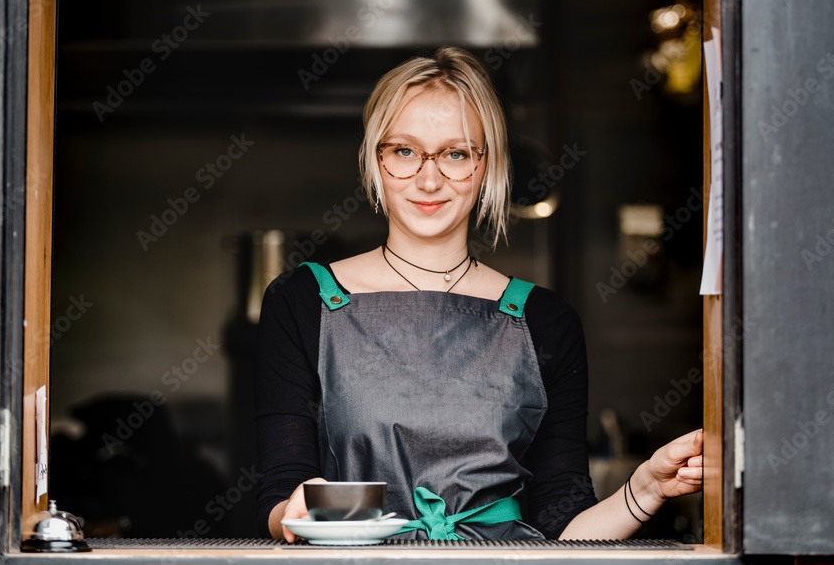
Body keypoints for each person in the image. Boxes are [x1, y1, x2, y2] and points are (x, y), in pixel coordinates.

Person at [255, 46, 703, 542]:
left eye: (455, 153)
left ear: (487, 165)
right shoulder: (304, 301)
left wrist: (643, 489)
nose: (429, 179)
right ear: (375, 159)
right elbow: (282, 495)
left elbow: (564, 525)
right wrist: (301, 509)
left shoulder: (544, 318)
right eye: (404, 150)